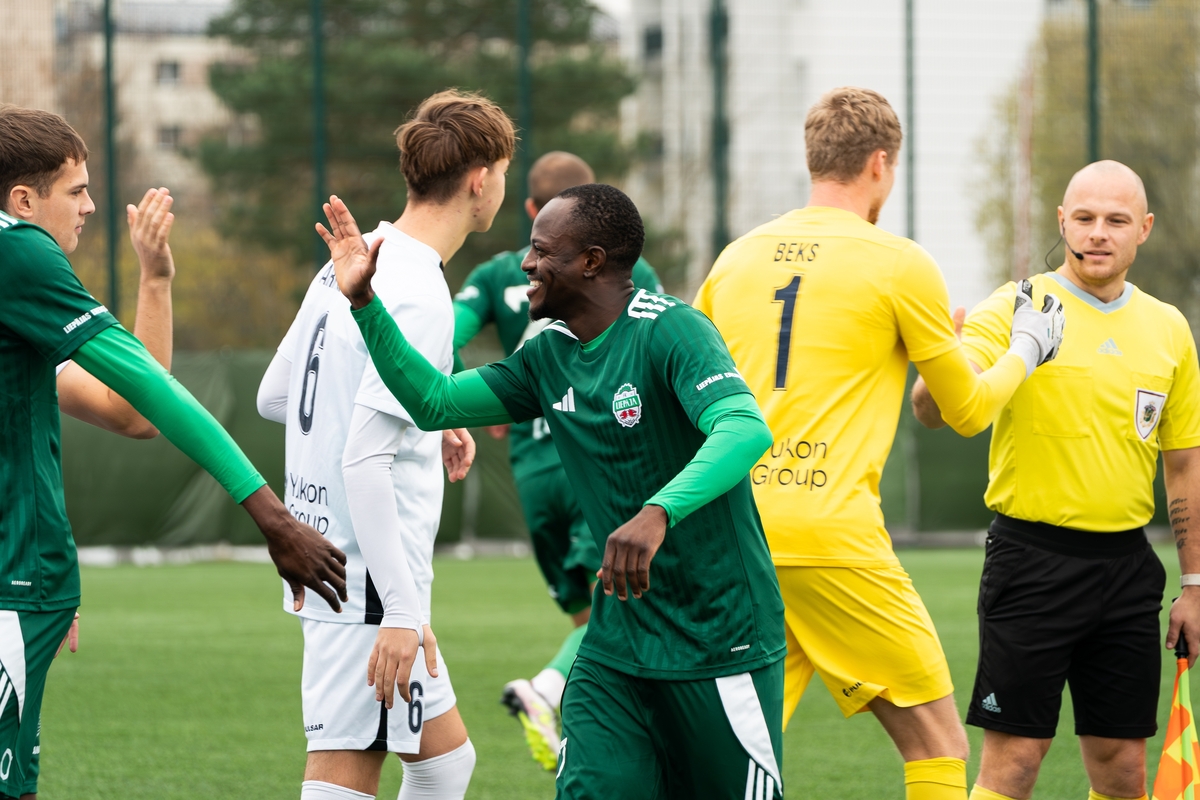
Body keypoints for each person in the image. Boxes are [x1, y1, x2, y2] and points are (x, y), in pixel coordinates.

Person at [319, 184, 788, 799]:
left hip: (721, 642)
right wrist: (365, 304)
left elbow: (744, 428)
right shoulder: (547, 355)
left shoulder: (673, 330)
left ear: (591, 261)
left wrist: (657, 511)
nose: (526, 263)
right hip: (616, 647)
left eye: (542, 250)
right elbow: (433, 403)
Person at [692, 86, 1065, 800]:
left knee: (735, 754)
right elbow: (967, 411)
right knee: (938, 742)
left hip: (734, 531)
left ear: (813, 159)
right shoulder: (899, 262)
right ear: (880, 164)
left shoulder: (734, 260)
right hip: (832, 537)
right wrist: (1026, 346)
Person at [0, 104, 347, 800]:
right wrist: (271, 515)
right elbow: (154, 398)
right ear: (23, 200)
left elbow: (128, 411)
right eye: (77, 190)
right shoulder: (18, 252)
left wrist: (154, 281)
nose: (92, 206)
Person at [911, 160, 1200, 800]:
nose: (1099, 233)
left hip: (1127, 567)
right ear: (1063, 221)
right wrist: (938, 375)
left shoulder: (1169, 328)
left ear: (1144, 229)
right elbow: (933, 411)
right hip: (1031, 561)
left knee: (1123, 769)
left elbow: (1183, 464)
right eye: (1086, 218)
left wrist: (1194, 585)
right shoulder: (1016, 307)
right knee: (1015, 765)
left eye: (1117, 220)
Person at [257, 89, 513, 800]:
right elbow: (365, 456)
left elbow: (275, 397)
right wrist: (399, 612)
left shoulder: (354, 256)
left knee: (443, 763)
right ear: (480, 179)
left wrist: (429, 419)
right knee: (344, 776)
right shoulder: (422, 290)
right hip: (364, 576)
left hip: (336, 557)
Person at [451, 149, 662, 770]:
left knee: (590, 616)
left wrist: (488, 396)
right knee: (619, 610)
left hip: (534, 472)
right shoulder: (634, 271)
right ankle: (549, 690)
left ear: (529, 208)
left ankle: (584, 734)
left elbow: (448, 332)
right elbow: (649, 348)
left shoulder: (496, 273)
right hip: (597, 461)